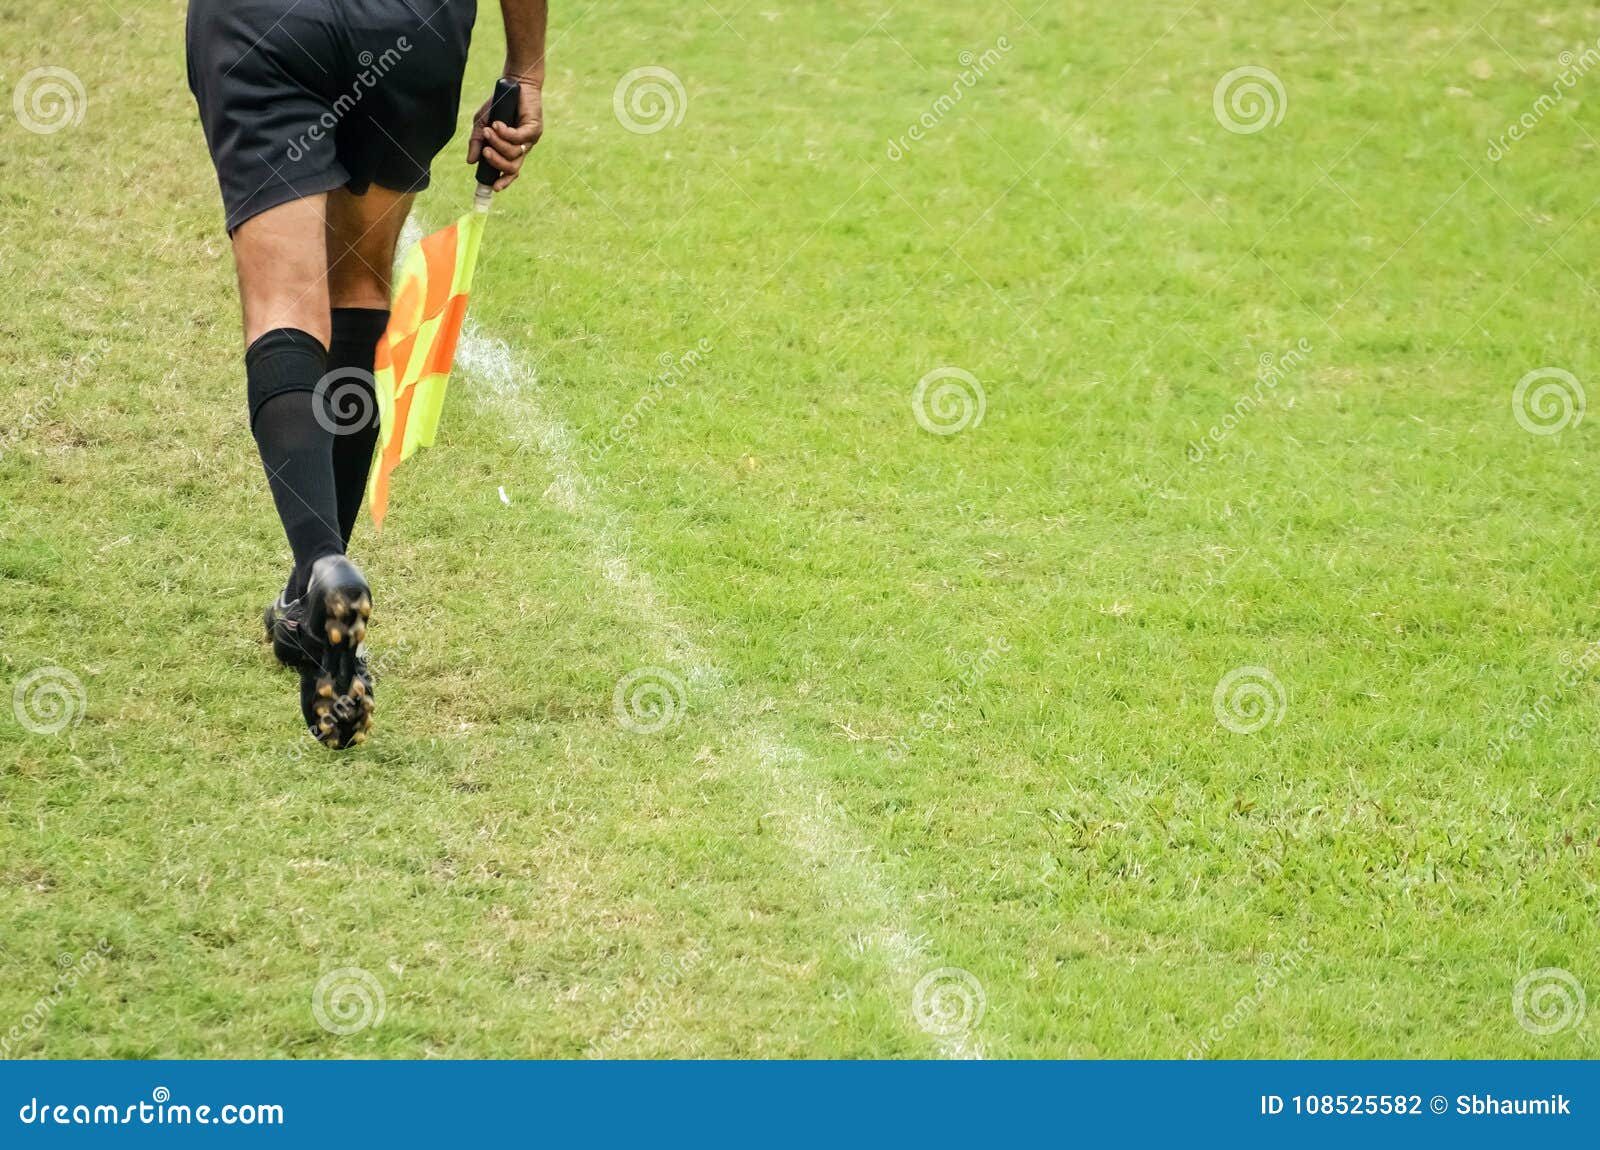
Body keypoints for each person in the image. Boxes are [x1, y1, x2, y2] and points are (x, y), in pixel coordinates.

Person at [186, 0, 547, 747]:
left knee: (286, 300)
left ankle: (322, 568)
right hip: (410, 26)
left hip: (265, 24)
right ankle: (305, 605)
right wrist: (524, 71)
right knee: (357, 288)